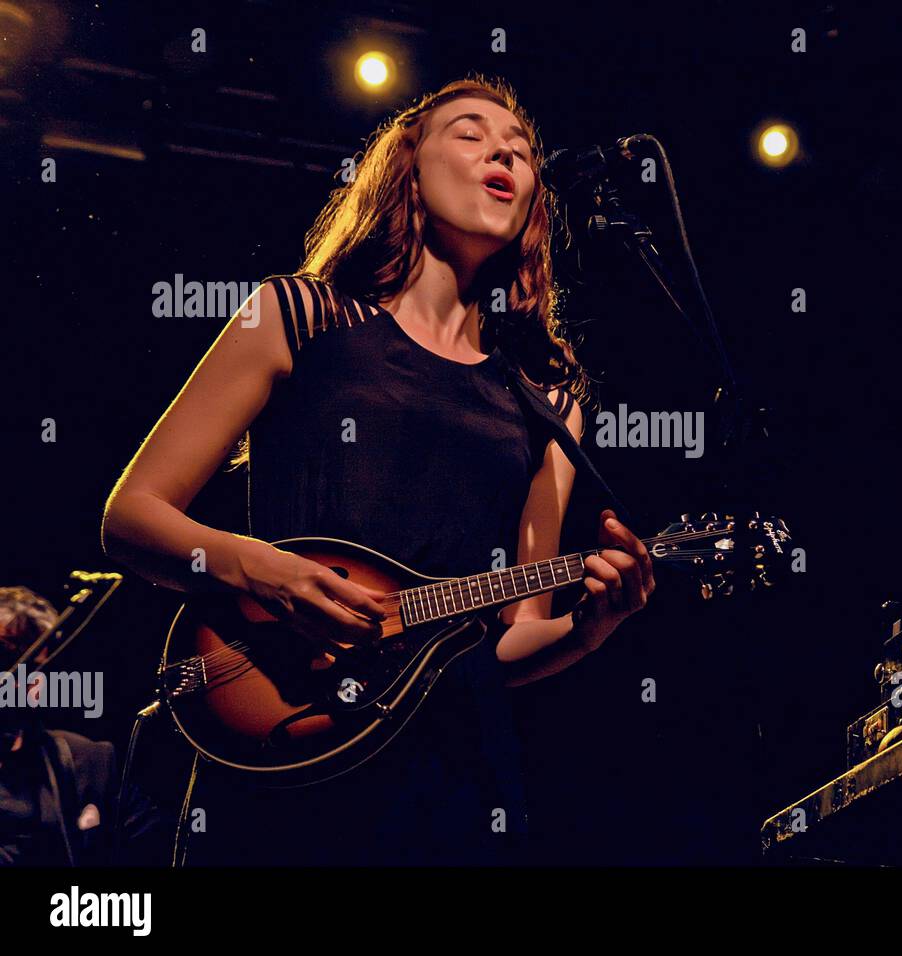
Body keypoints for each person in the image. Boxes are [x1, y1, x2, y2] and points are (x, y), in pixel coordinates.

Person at [100, 74, 655, 864]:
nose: (503, 150)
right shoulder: (294, 313)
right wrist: (264, 572)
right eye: (469, 133)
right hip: (289, 730)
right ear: (407, 169)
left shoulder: (548, 396)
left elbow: (511, 639)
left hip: (455, 772)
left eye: (522, 151)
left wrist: (592, 628)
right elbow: (131, 518)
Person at [0, 586, 164, 866]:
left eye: (36, 666)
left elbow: (156, 851)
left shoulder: (90, 761)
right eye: (6, 660)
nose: (21, 681)